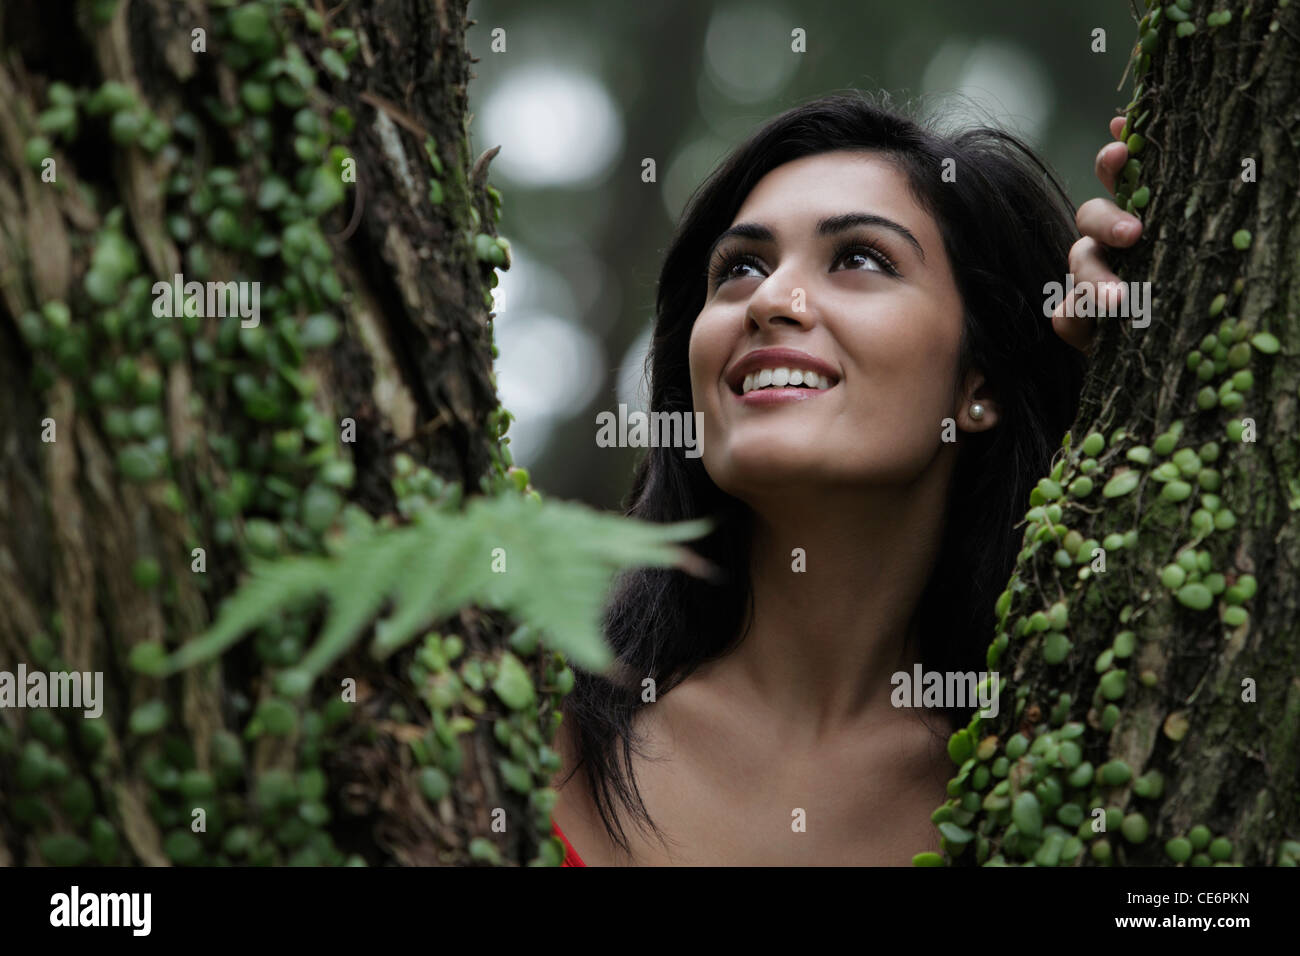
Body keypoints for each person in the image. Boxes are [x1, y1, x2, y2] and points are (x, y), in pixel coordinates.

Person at [549, 92, 1144, 866]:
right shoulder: (519, 719)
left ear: (981, 384)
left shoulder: (1080, 762)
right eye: (740, 268)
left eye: (860, 258)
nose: (767, 300)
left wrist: (1156, 353)